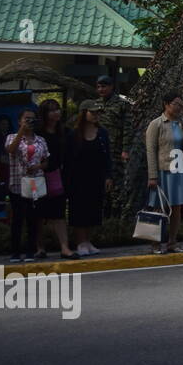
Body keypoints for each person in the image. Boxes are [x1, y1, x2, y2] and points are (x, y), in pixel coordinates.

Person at [144, 91, 183, 253]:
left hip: (180, 169)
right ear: (166, 105)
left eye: (181, 104)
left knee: (177, 208)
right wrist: (152, 175)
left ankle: (172, 242)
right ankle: (155, 243)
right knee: (159, 208)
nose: (178, 107)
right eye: (176, 104)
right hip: (164, 171)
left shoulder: (182, 123)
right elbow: (150, 150)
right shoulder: (156, 124)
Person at [64, 100, 111, 256]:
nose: (96, 115)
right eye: (93, 112)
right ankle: (80, 242)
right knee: (79, 210)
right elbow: (68, 159)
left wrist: (108, 176)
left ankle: (88, 240)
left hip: (96, 176)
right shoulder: (73, 134)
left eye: (98, 112)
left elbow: (107, 157)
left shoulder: (102, 133)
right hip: (78, 178)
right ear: (84, 113)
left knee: (94, 209)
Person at [4, 107, 47, 264]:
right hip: (17, 183)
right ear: (19, 121)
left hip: (35, 182)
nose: (29, 122)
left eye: (32, 119)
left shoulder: (40, 140)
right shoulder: (12, 137)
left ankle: (30, 250)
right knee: (17, 219)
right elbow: (11, 150)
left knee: (32, 218)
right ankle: (15, 251)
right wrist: (22, 131)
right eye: (26, 119)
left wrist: (38, 167)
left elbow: (46, 160)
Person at [35, 99, 74, 259]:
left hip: (57, 175)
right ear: (45, 114)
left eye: (57, 109)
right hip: (38, 175)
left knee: (58, 213)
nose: (56, 113)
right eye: (51, 110)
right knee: (38, 213)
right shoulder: (38, 132)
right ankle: (39, 247)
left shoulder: (64, 131)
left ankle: (65, 247)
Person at [94, 75, 133, 216]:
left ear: (111, 87)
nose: (101, 89)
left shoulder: (122, 104)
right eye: (98, 86)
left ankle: (116, 220)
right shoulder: (95, 105)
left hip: (116, 151)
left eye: (104, 86)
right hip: (99, 151)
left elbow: (128, 129)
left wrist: (125, 150)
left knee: (116, 187)